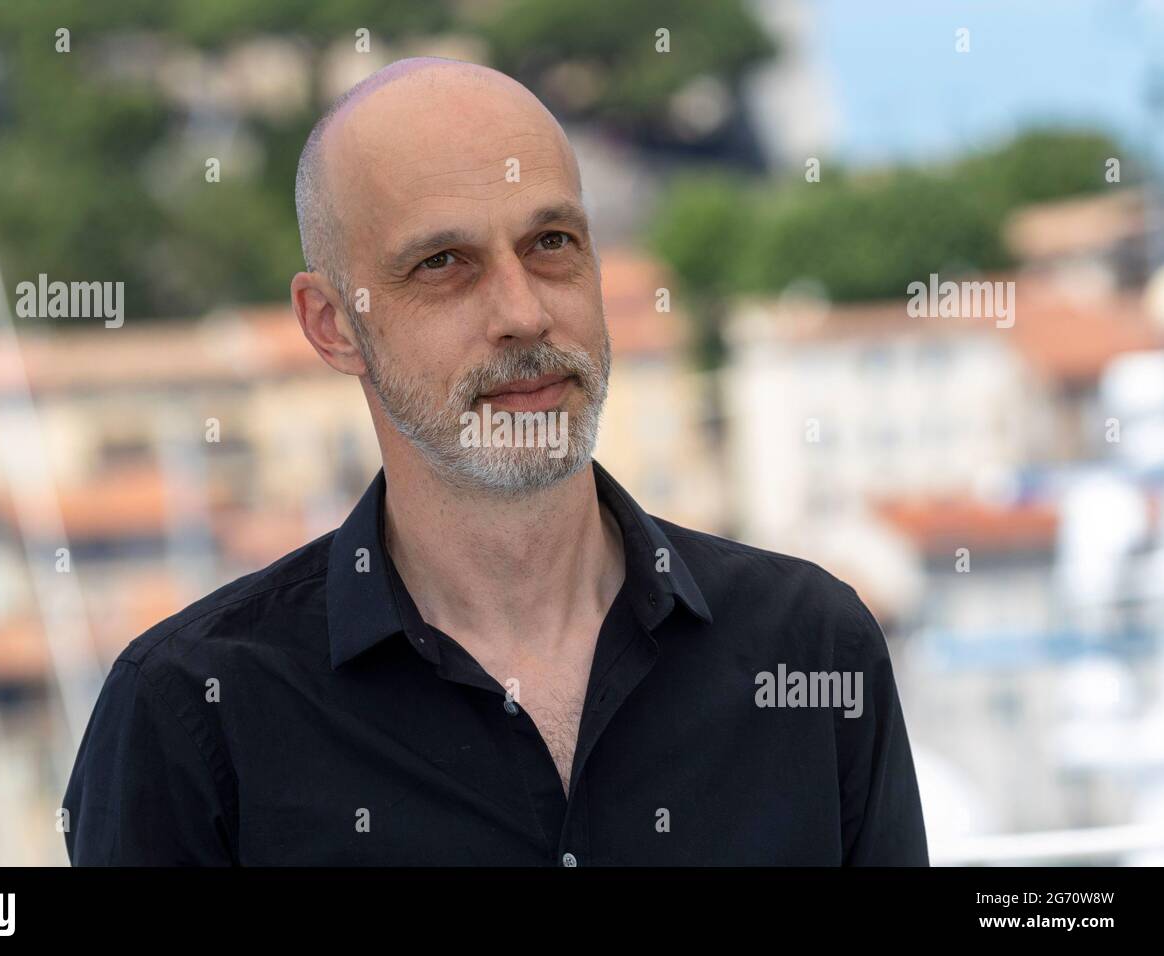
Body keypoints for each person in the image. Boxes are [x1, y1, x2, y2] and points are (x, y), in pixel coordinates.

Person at [62, 56, 929, 866]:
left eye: (551, 243)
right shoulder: (192, 712)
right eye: (443, 264)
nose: (522, 313)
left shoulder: (812, 647)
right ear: (332, 324)